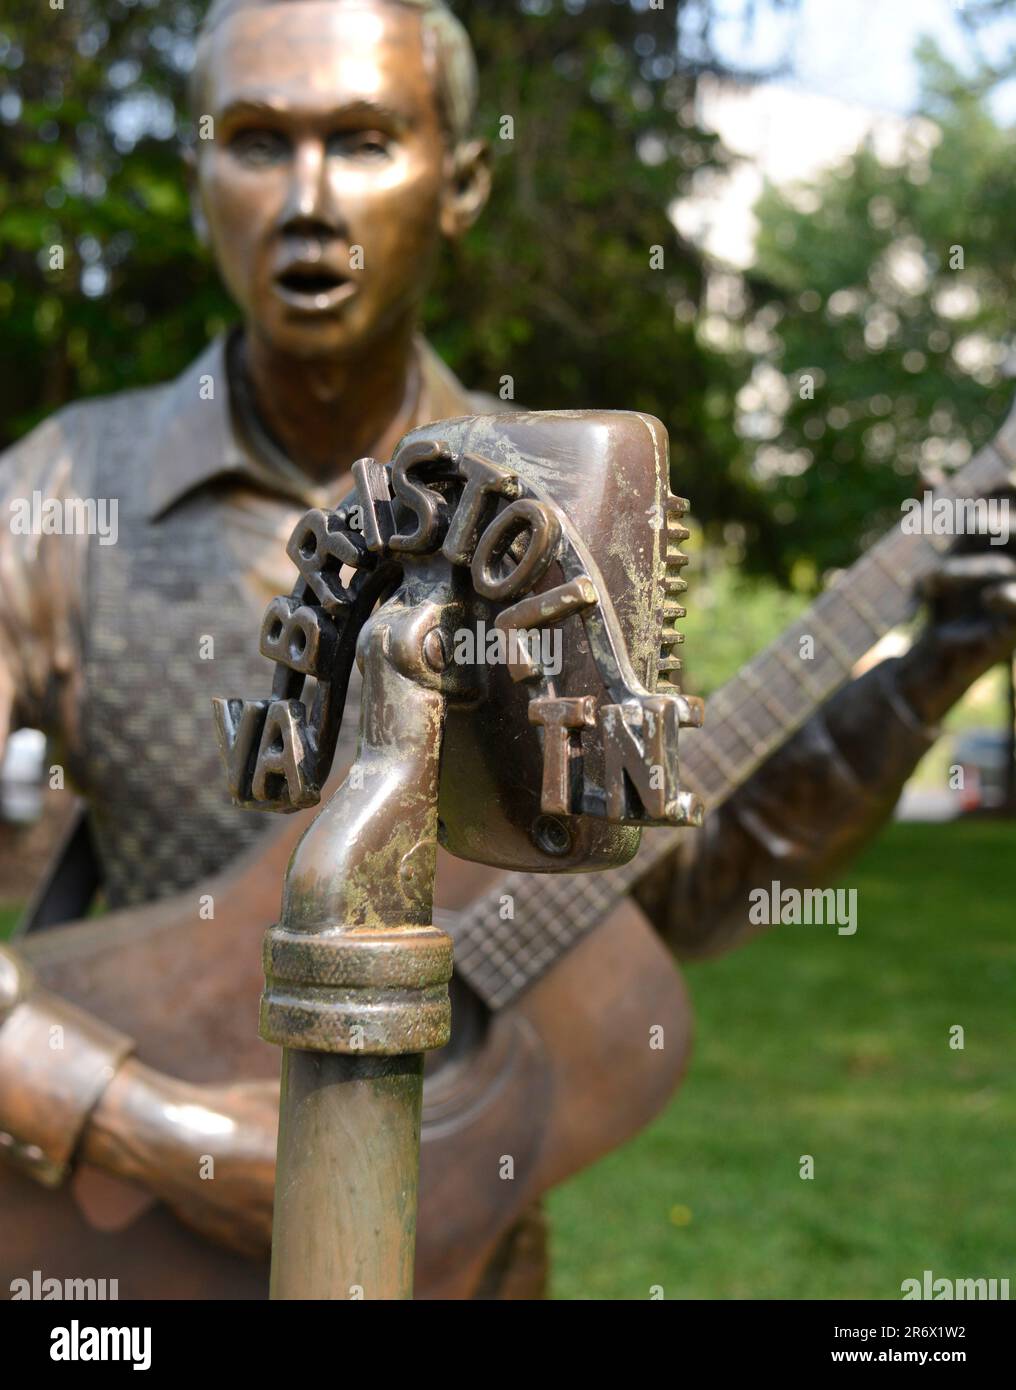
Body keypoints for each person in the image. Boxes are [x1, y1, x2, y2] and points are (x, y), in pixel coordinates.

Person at [1, 0, 1015, 1300]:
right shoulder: (55, 494)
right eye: (258, 140)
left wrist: (927, 675)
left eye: (363, 139)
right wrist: (153, 1128)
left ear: (461, 178)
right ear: (201, 182)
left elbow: (678, 884)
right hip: (115, 1265)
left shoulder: (570, 509)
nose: (309, 197)